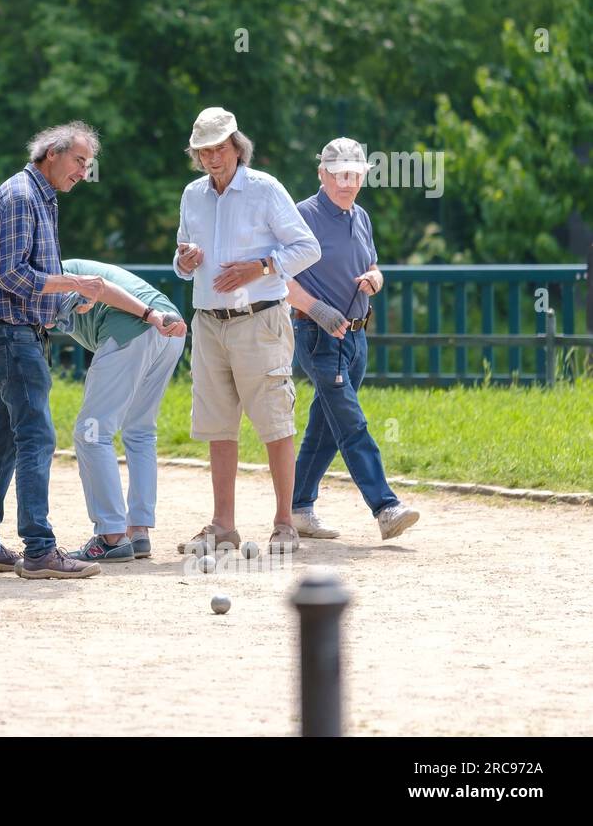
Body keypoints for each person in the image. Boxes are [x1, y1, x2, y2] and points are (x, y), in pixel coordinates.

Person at [172, 107, 321, 555]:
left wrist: (260, 267)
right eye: (204, 151)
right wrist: (184, 262)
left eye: (219, 148)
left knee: (276, 422)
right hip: (208, 323)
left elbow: (307, 247)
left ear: (237, 147)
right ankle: (223, 526)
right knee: (218, 426)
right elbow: (180, 260)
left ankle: (284, 523)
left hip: (260, 320)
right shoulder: (192, 195)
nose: (212, 158)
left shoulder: (265, 189)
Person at [0, 122, 107, 580]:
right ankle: (40, 550)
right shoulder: (20, 197)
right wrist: (74, 282)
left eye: (88, 165)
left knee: (6, 436)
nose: (84, 172)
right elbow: (10, 275)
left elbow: (30, 279)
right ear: (51, 153)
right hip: (10, 332)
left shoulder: (40, 199)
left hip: (15, 328)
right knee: (37, 435)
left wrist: (67, 298)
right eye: (79, 162)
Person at [286, 138, 420, 540]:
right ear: (322, 174)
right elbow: (279, 276)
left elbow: (371, 262)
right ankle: (385, 506)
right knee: (351, 422)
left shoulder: (360, 216)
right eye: (340, 174)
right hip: (317, 335)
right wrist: (316, 309)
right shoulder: (300, 216)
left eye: (355, 175)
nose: (348, 182)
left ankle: (298, 507)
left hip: (357, 336)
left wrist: (376, 278)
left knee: (326, 423)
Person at [53, 258, 187, 563]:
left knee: (91, 433)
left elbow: (103, 288)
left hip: (139, 325)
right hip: (169, 327)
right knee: (139, 431)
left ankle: (112, 537)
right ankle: (138, 531)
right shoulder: (54, 266)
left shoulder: (46, 270)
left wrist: (150, 316)